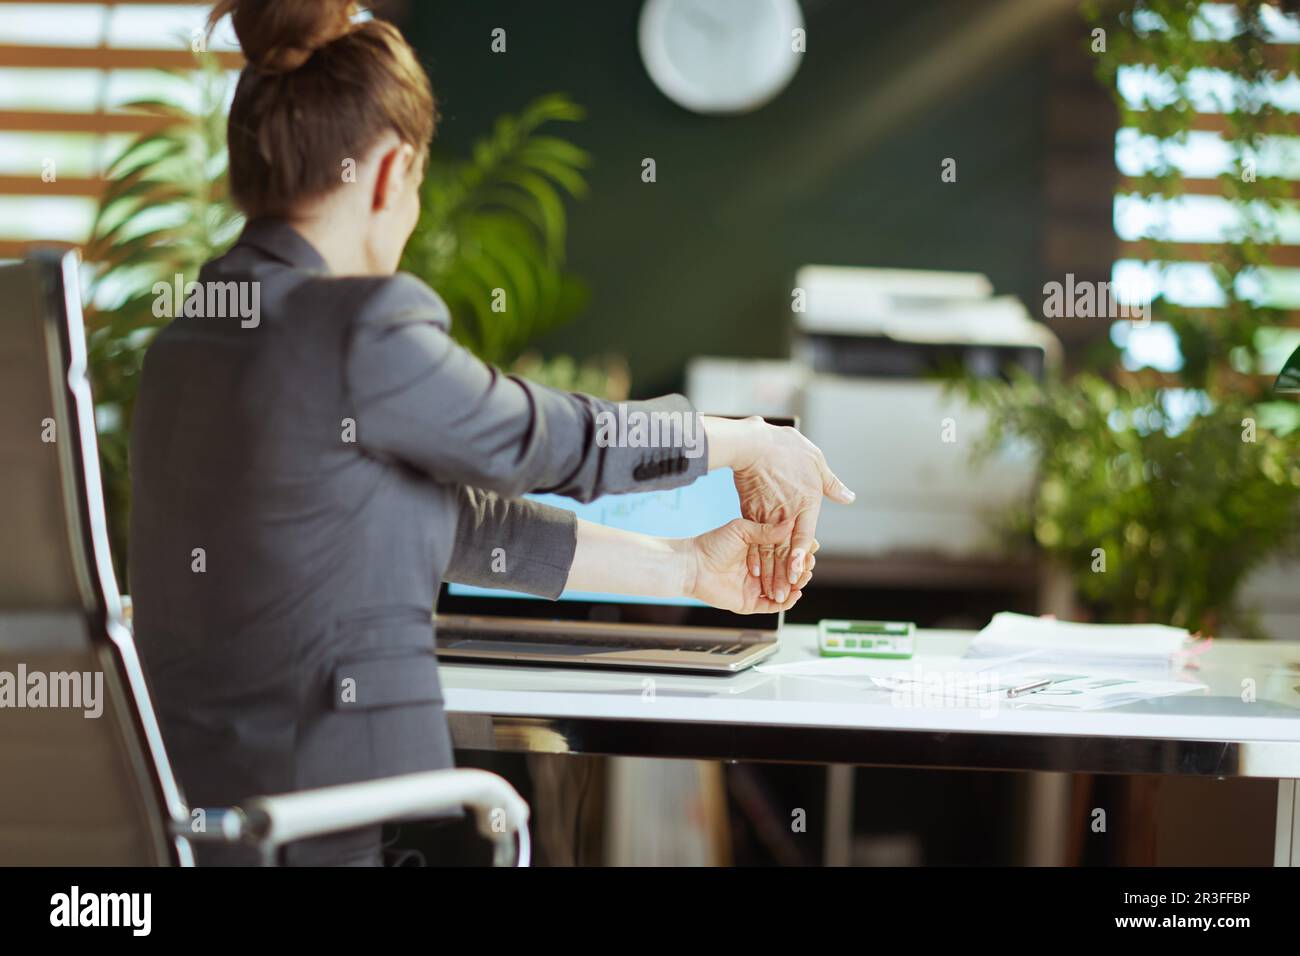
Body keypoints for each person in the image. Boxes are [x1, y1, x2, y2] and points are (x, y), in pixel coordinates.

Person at [128, 0, 854, 865]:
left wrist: (690, 569)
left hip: (199, 830)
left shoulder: (194, 336)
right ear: (394, 172)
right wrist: (750, 440)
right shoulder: (354, 325)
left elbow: (470, 525)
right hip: (325, 833)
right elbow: (552, 444)